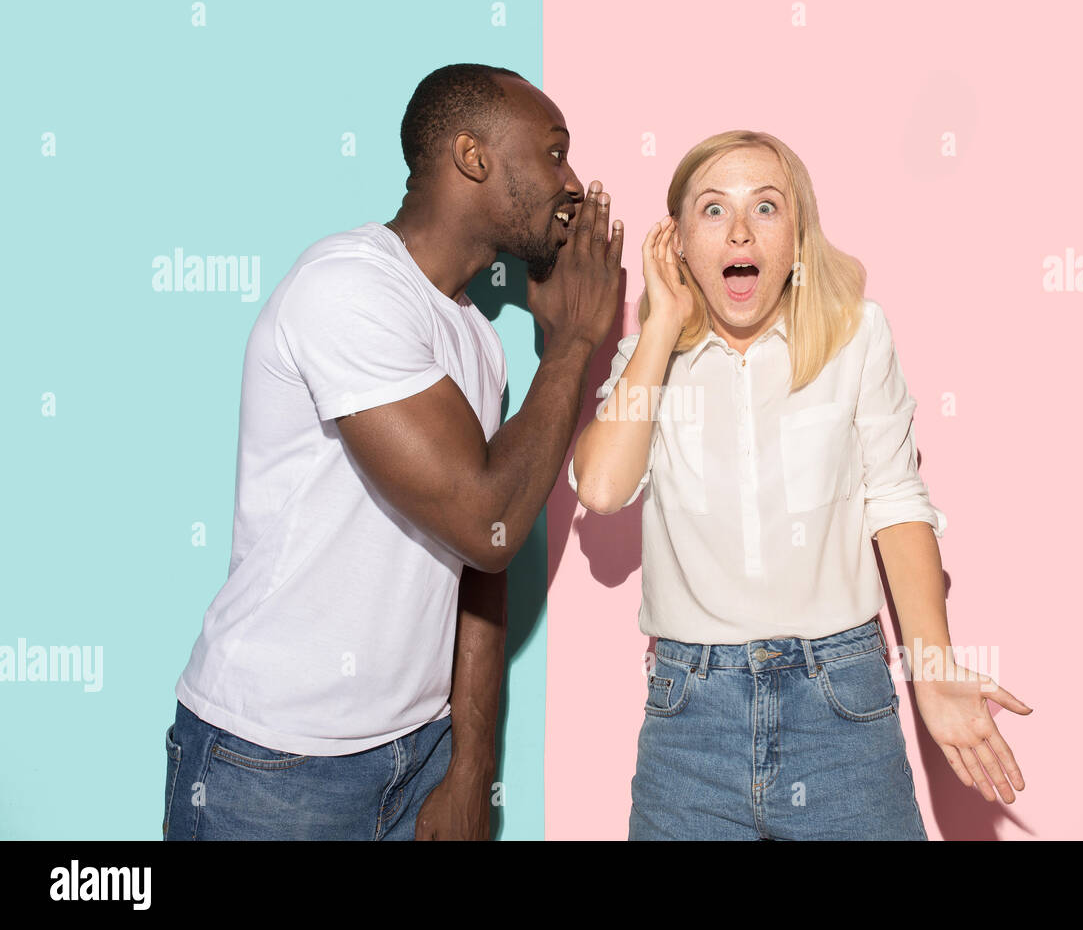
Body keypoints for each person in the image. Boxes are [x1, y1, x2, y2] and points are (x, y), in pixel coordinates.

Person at [165, 63, 623, 840]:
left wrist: (470, 766)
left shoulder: (477, 339)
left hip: (417, 757)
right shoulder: (348, 288)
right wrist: (573, 344)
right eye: (553, 152)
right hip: (273, 765)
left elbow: (485, 559)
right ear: (473, 157)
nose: (572, 183)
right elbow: (487, 518)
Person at [569, 130, 1032, 840]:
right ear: (679, 242)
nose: (741, 230)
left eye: (767, 207)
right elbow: (600, 487)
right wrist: (659, 328)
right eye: (714, 210)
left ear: (798, 236)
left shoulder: (857, 337)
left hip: (840, 702)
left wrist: (932, 671)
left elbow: (897, 503)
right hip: (689, 713)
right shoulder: (649, 361)